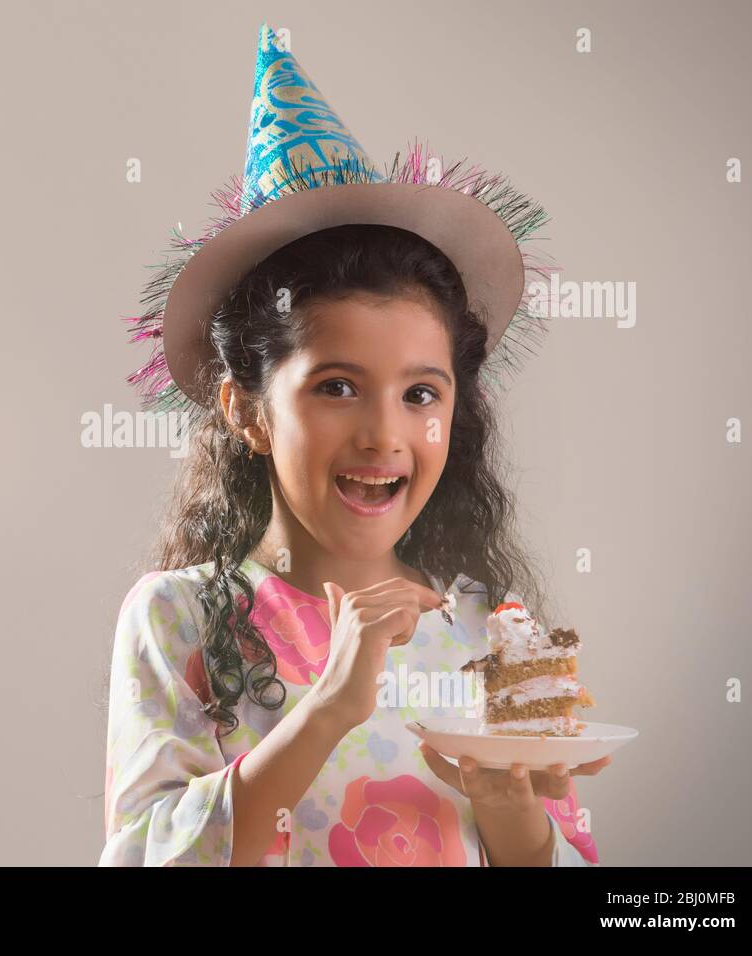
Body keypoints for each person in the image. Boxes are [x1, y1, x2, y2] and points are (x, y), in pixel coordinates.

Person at [100, 24, 610, 867]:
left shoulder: (493, 637)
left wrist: (511, 812)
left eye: (421, 394)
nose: (385, 435)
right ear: (248, 411)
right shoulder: (178, 619)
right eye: (336, 387)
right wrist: (331, 703)